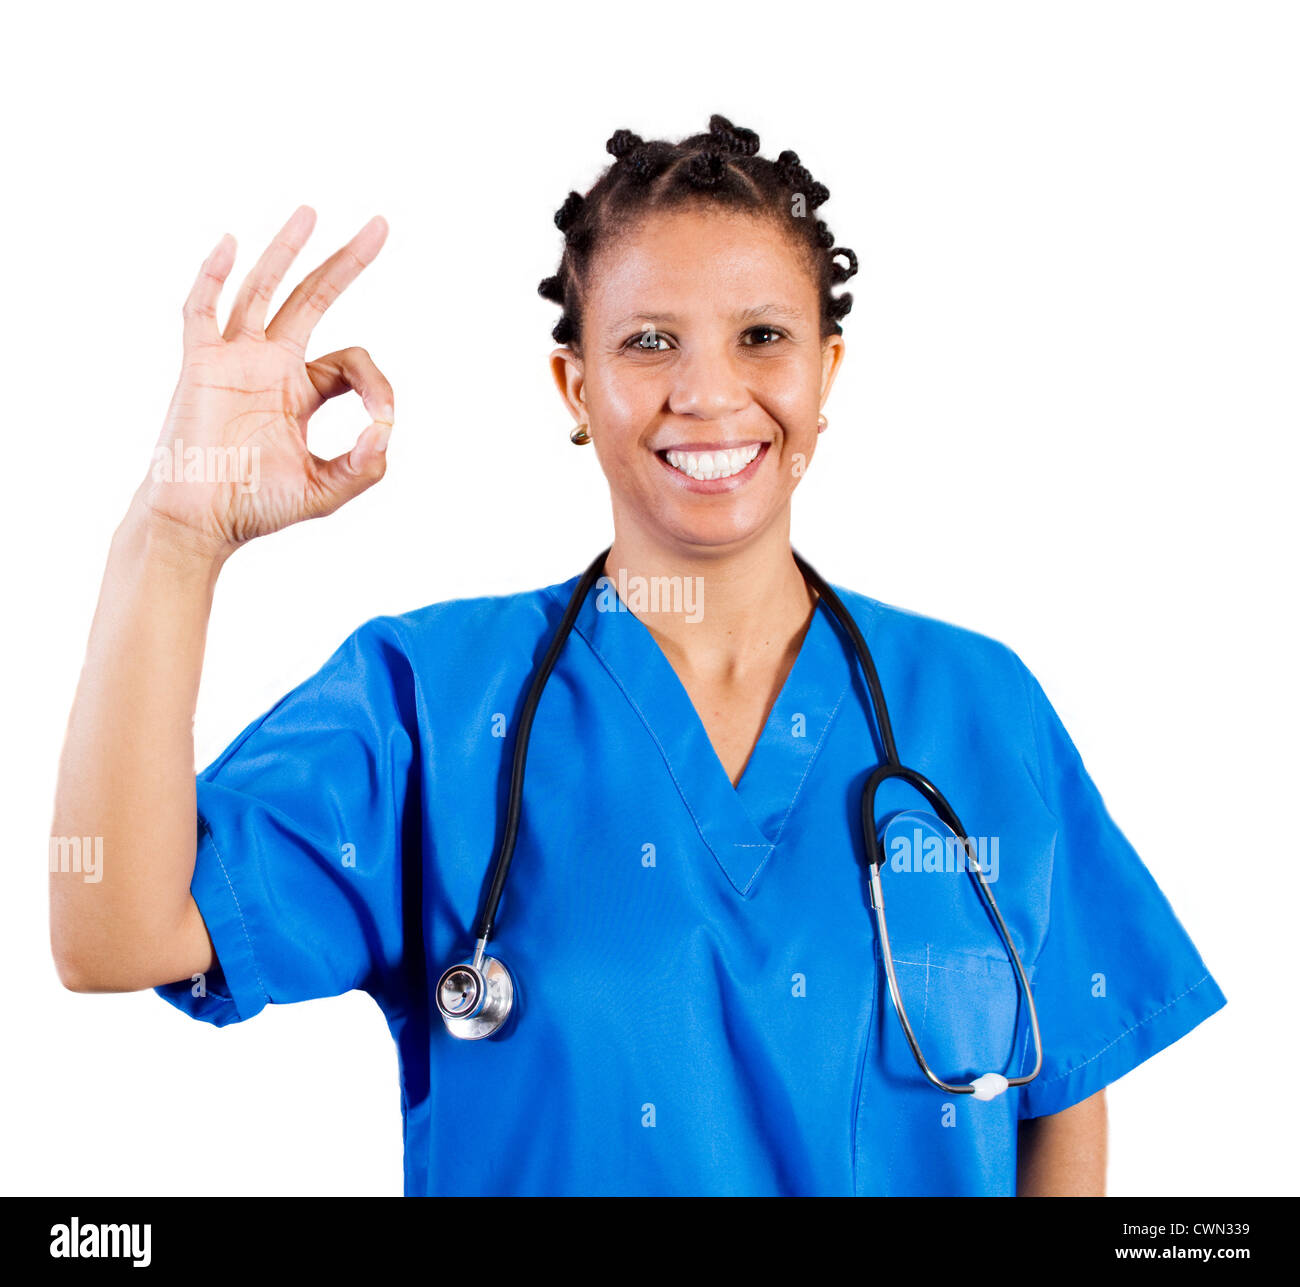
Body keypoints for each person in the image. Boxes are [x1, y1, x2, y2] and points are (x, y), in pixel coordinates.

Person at [49, 115, 1224, 1197]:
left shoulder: (976, 707)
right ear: (575, 385)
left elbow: (1061, 1094)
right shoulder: (433, 703)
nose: (708, 392)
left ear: (826, 376)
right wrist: (173, 533)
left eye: (763, 336)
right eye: (648, 342)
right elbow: (113, 937)